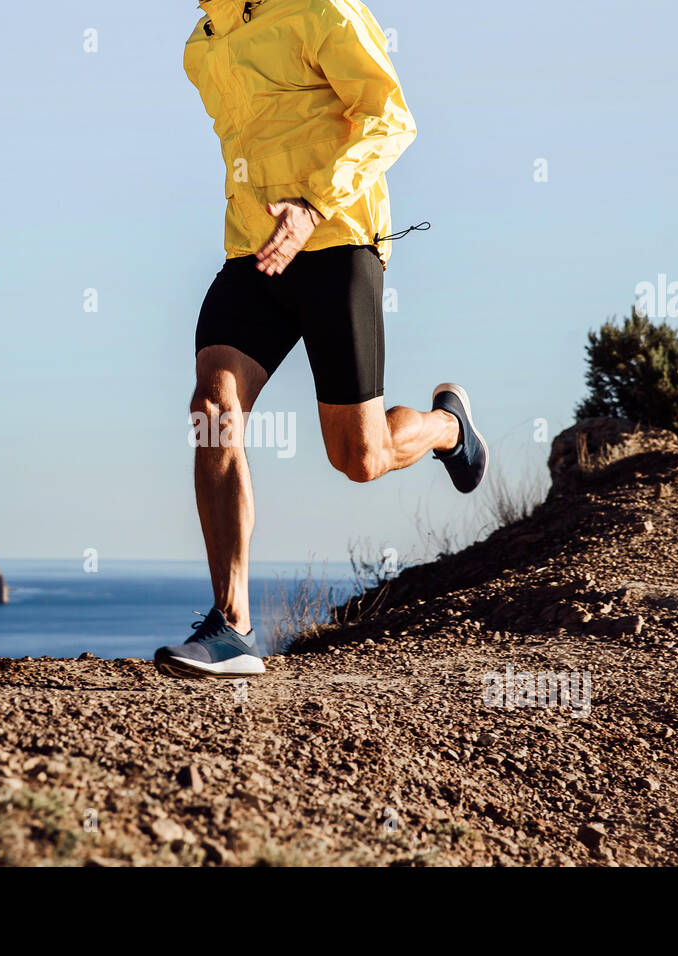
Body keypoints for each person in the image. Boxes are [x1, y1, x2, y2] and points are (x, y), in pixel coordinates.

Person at [154, 0, 487, 679]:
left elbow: (390, 116)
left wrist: (311, 206)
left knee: (360, 458)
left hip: (337, 242)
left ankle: (448, 428)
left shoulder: (320, 7)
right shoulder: (204, 43)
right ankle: (233, 626)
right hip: (255, 254)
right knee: (212, 409)